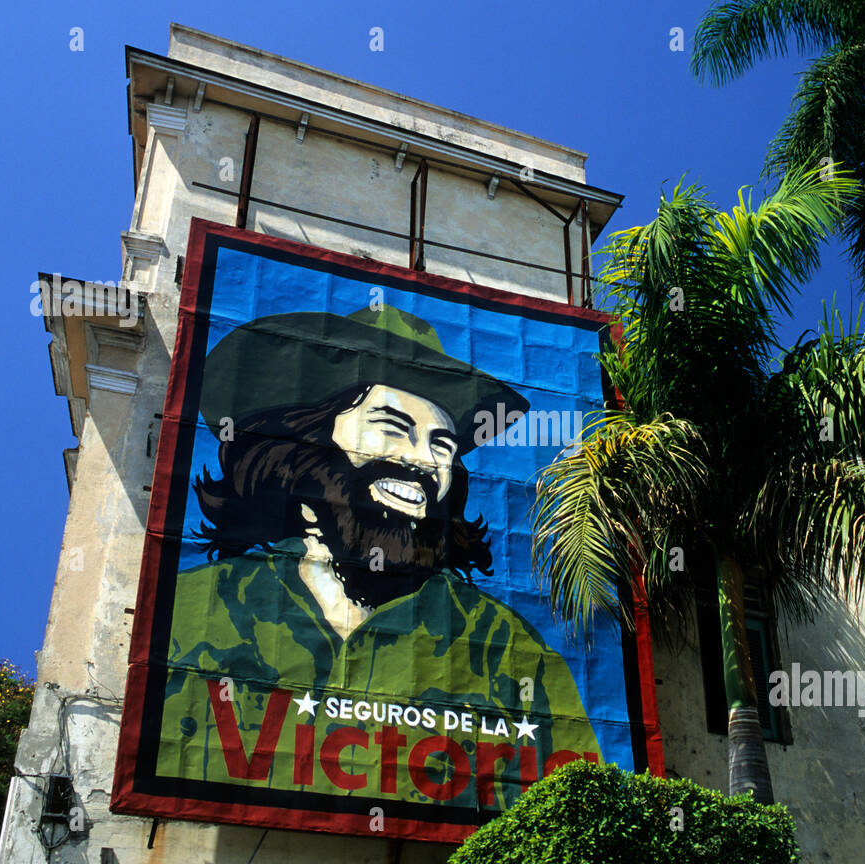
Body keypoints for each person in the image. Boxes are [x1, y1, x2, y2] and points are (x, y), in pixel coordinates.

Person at [155, 305, 602, 816]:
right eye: (393, 427)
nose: (422, 460)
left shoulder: (504, 648)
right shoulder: (195, 608)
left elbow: (578, 816)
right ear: (307, 445)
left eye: (442, 444)